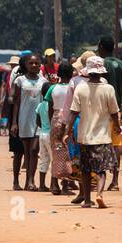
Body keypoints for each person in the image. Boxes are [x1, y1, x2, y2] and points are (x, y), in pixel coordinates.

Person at [69, 55, 121, 209]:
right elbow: (114, 112)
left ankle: (86, 200)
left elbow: (73, 112)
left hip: (84, 136)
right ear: (101, 72)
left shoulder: (80, 88)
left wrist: (67, 131)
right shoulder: (108, 89)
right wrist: (117, 126)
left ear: (87, 72)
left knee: (85, 169)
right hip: (103, 137)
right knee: (101, 170)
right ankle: (99, 194)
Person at [97, 34, 122, 191]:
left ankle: (100, 178)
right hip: (116, 109)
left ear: (101, 47)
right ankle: (115, 181)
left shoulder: (102, 64)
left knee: (100, 143)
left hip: (102, 110)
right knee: (116, 145)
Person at [9, 53, 45, 191]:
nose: (34, 65)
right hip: (22, 119)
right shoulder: (20, 80)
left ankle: (30, 180)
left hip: (38, 120)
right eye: (31, 63)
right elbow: (16, 102)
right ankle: (16, 181)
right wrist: (14, 122)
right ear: (25, 64)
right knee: (21, 152)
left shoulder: (43, 81)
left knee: (34, 150)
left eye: (37, 63)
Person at [46, 62, 76, 196]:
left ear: (58, 74)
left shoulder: (52, 88)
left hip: (55, 120)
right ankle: (65, 184)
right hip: (69, 121)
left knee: (56, 152)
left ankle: (54, 183)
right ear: (71, 74)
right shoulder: (74, 88)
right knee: (68, 153)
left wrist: (51, 122)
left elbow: (49, 108)